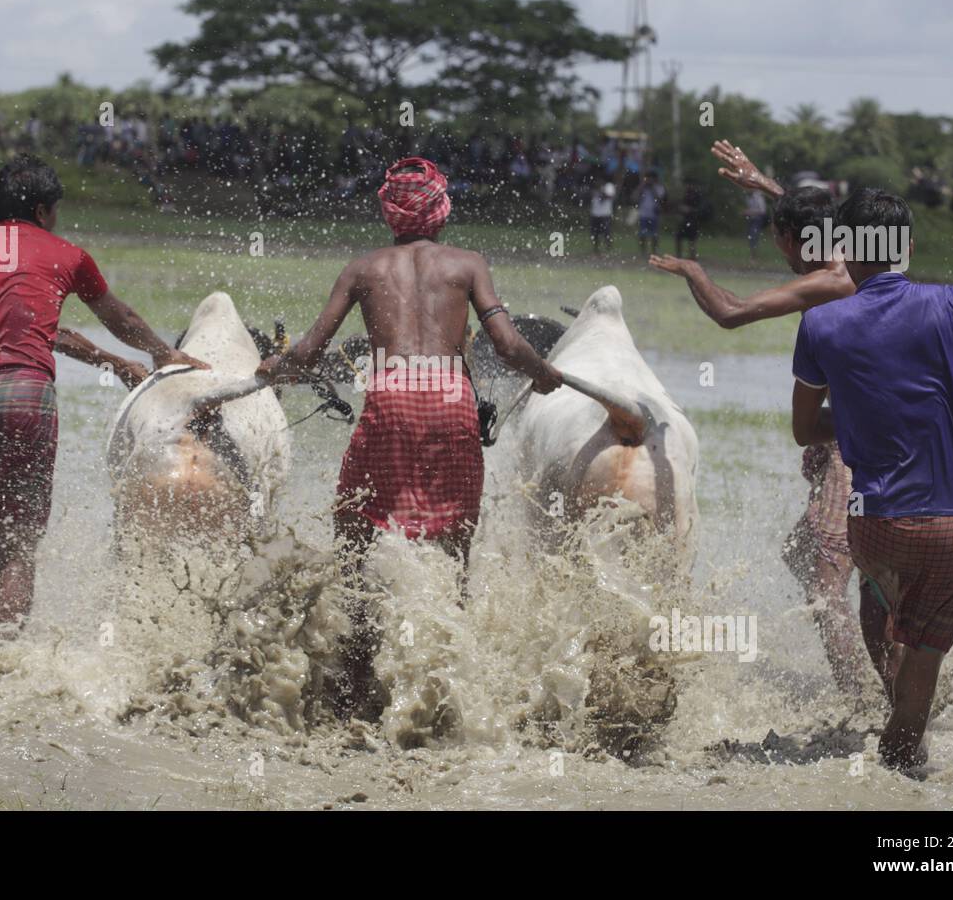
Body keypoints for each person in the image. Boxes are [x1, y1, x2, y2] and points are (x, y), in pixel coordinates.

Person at [255, 156, 562, 719]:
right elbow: (508, 345)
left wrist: (271, 369)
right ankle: (454, 680)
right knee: (454, 544)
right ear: (441, 212)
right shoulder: (467, 264)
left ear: (387, 211)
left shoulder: (363, 268)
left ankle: (353, 675)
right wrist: (543, 373)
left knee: (356, 533)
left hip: (392, 394)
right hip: (450, 400)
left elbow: (311, 349)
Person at [791, 188, 953, 773]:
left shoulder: (820, 324)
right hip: (952, 530)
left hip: (874, 528)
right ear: (906, 247)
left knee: (877, 595)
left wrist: (862, 410)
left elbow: (805, 430)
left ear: (845, 248)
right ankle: (904, 752)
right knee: (923, 654)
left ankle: (893, 689)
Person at [0, 155, 208, 630]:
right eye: (55, 209)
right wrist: (161, 352)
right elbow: (123, 320)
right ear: (41, 211)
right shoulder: (67, 255)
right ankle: (1, 659)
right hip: (27, 396)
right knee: (17, 546)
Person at [649, 140, 865, 695]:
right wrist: (765, 183)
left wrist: (693, 269)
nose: (781, 251)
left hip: (853, 442)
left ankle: (861, 696)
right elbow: (813, 215)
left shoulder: (827, 281)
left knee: (824, 576)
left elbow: (730, 312)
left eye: (780, 240)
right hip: (851, 431)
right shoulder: (852, 252)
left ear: (791, 240)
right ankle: (886, 663)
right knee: (802, 551)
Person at [633, 170, 666, 256]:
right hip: (643, 213)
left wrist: (652, 189)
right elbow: (634, 197)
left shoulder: (659, 188)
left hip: (654, 214)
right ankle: (643, 251)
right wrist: (642, 187)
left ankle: (654, 251)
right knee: (642, 233)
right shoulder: (642, 188)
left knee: (655, 234)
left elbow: (660, 199)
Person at [589, 176, 617, 254]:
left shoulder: (609, 186)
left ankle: (608, 248)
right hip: (595, 214)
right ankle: (596, 249)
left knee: (606, 232)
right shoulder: (593, 188)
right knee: (594, 233)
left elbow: (610, 197)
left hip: (605, 214)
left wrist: (601, 190)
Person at [745, 188, 769, 260]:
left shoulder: (758, 197)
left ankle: (754, 256)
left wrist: (750, 212)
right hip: (752, 219)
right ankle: (753, 255)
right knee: (751, 237)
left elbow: (762, 211)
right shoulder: (749, 197)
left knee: (754, 236)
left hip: (757, 219)